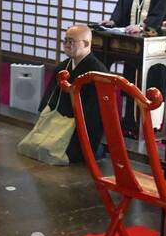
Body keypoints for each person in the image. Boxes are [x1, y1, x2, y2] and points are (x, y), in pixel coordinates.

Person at [18, 24, 109, 165]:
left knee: (63, 154)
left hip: (81, 131)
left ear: (85, 43)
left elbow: (95, 116)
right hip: (59, 123)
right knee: (35, 147)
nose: (66, 45)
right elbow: (50, 101)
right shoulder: (63, 67)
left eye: (71, 42)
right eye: (65, 41)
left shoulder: (98, 73)